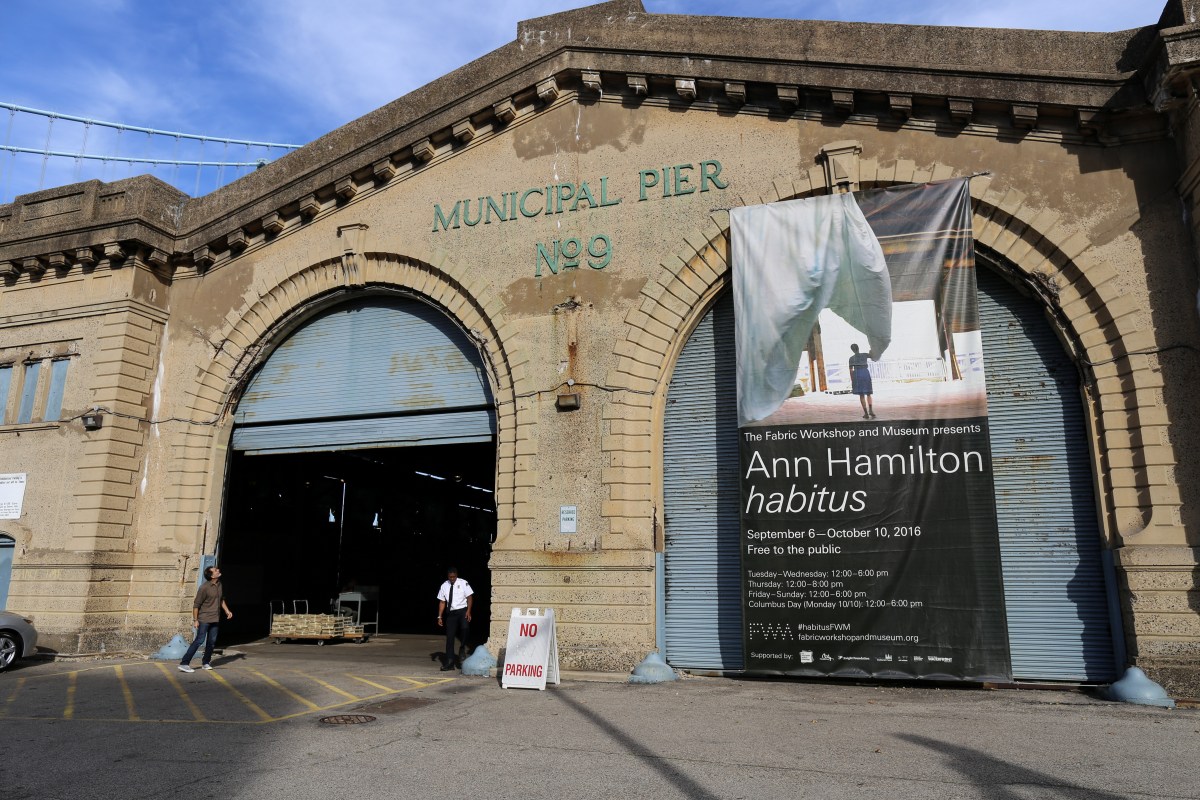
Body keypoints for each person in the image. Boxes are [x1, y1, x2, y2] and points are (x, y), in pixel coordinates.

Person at [179, 565, 233, 673]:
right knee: (199, 640)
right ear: (212, 575)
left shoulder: (219, 584)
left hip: (215, 618)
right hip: (204, 618)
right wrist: (195, 620)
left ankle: (206, 663)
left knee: (211, 642)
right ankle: (184, 663)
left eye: (217, 569)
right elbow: (196, 605)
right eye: (216, 570)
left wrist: (227, 611)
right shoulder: (204, 588)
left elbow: (221, 600)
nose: (218, 570)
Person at [436, 567, 473, 671]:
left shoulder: (463, 583)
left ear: (456, 575)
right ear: (448, 576)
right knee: (450, 638)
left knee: (465, 629)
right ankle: (450, 663)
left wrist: (468, 611)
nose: (452, 578)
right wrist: (440, 616)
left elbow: (469, 597)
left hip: (462, 611)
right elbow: (442, 602)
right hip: (451, 613)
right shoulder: (444, 585)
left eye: (454, 577)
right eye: (450, 577)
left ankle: (462, 648)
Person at [849, 344, 876, 419]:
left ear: (852, 350)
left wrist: (852, 380)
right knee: (868, 393)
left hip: (857, 374)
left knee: (861, 395)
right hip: (865, 373)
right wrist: (871, 349)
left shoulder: (851, 358)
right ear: (858, 348)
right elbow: (872, 355)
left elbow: (851, 370)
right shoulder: (864, 355)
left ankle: (866, 413)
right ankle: (871, 410)